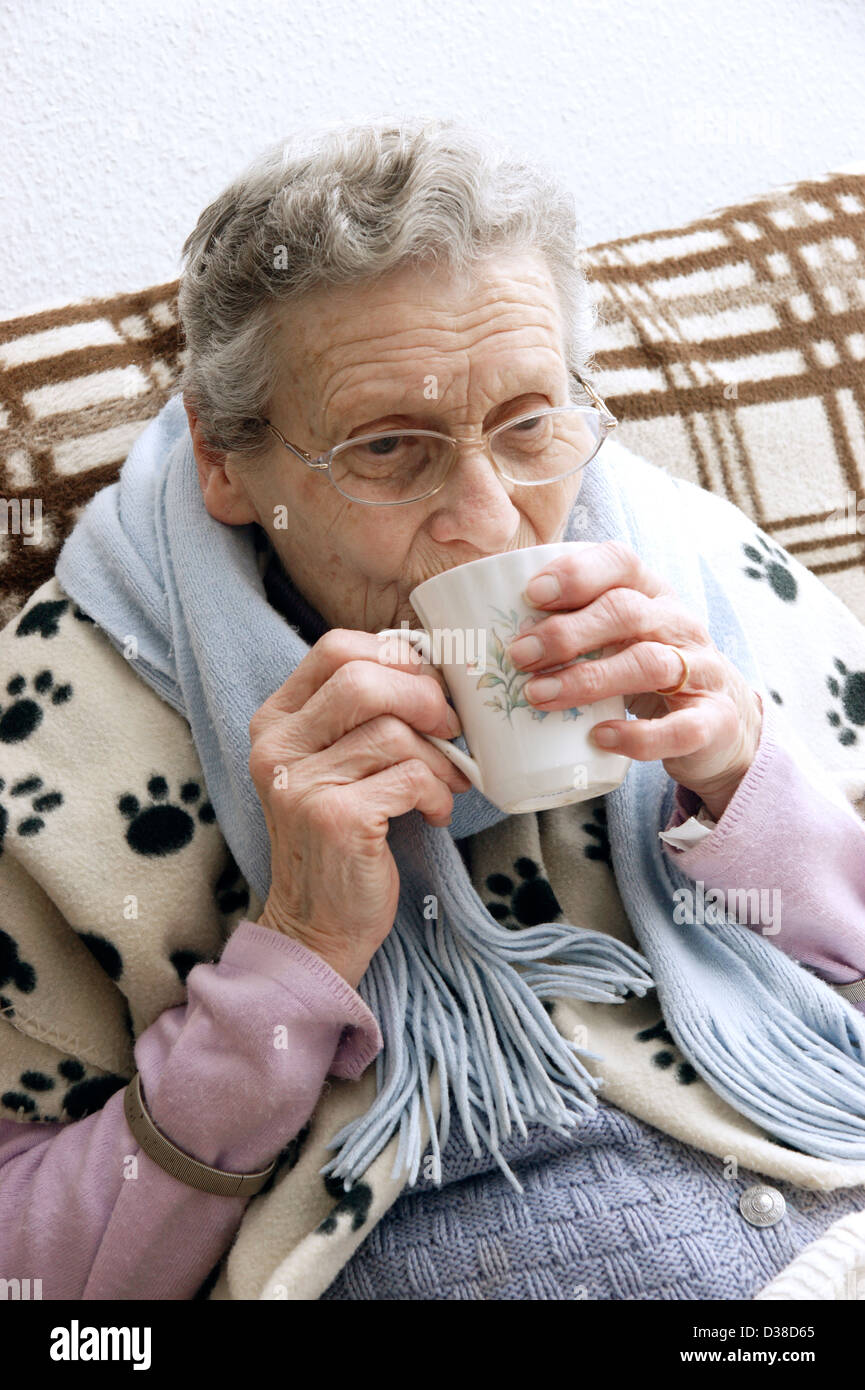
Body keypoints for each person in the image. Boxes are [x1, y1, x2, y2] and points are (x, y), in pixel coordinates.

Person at [2, 117, 865, 1302]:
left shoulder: (697, 567)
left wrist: (748, 790)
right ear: (224, 459)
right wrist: (297, 948)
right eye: (389, 447)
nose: (494, 519)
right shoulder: (45, 737)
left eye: (527, 424)